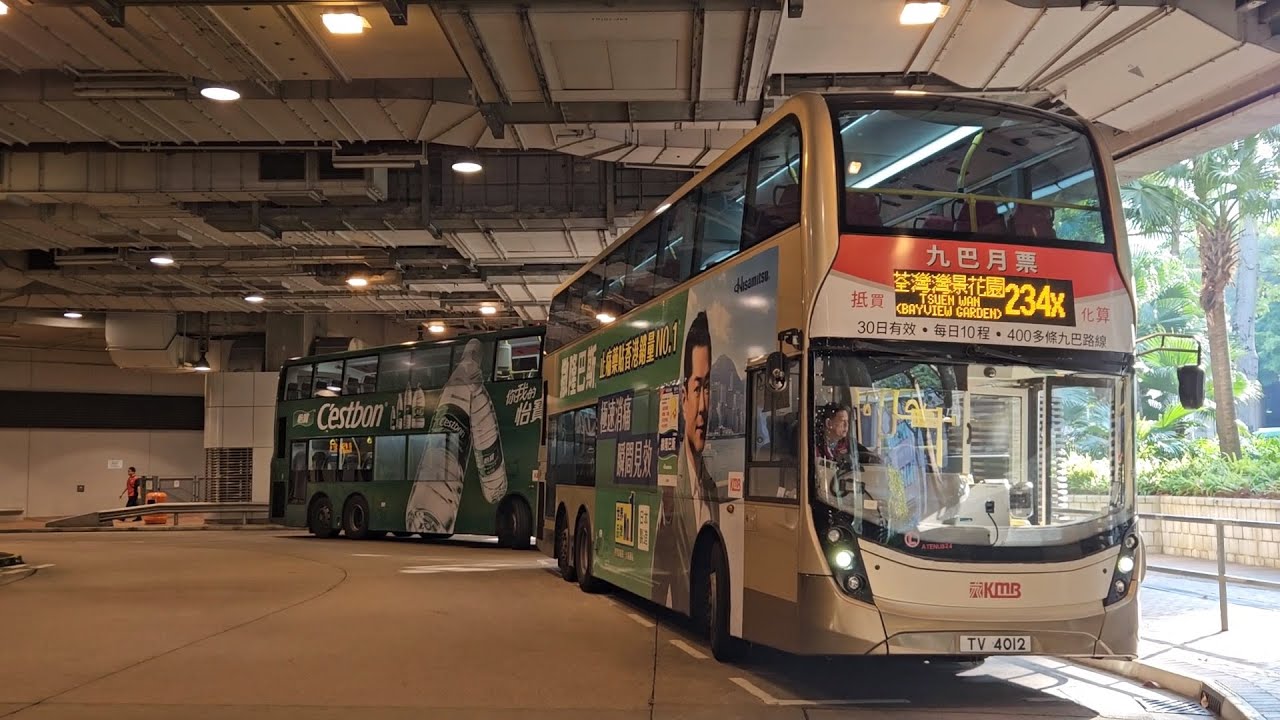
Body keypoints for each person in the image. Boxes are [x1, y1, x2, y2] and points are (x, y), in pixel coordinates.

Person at [652, 311, 718, 612]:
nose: (703, 405)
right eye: (697, 387)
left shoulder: (711, 488)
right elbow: (656, 584)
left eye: (708, 388)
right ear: (683, 398)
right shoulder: (669, 487)